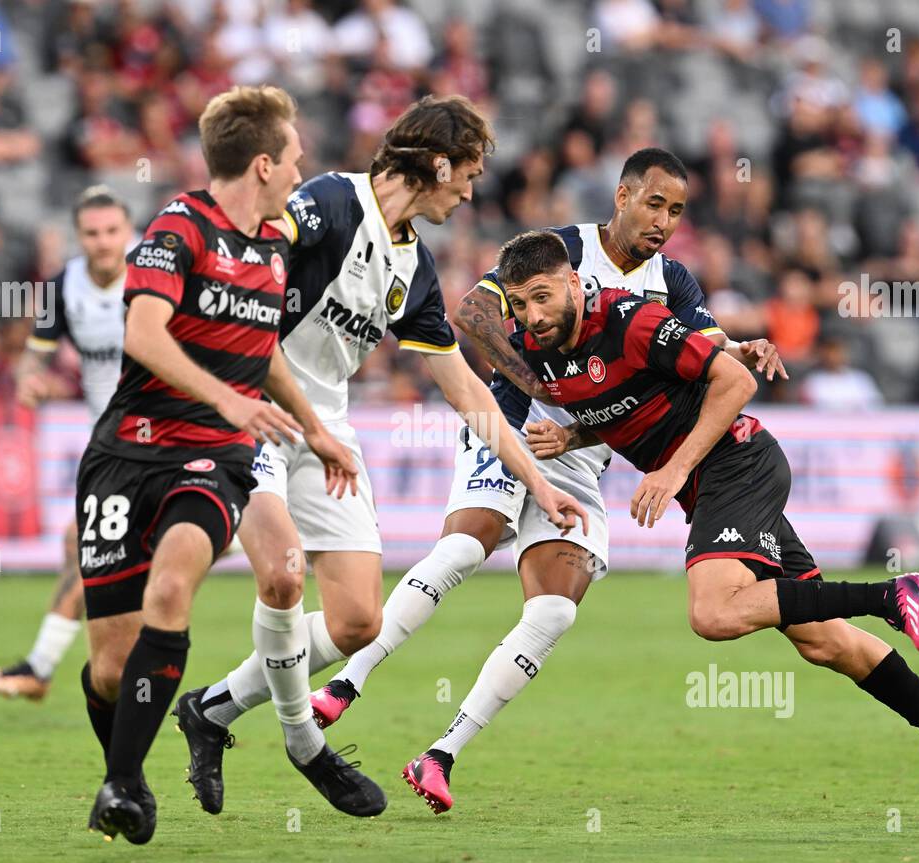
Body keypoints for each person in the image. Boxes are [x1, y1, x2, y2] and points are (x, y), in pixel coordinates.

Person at [307, 148, 786, 814]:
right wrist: (546, 387)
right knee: (469, 544)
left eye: (676, 210)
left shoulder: (672, 279)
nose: (664, 221)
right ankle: (343, 685)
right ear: (622, 197)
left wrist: (744, 347)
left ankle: (442, 753)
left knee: (556, 608)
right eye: (655, 204)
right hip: (510, 425)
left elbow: (702, 351)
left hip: (585, 454)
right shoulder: (560, 250)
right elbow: (473, 315)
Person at [172, 95, 588, 818]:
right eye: (468, 172)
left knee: (359, 622)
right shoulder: (332, 200)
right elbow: (252, 253)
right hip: (251, 408)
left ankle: (210, 709)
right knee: (281, 575)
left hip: (327, 427)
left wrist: (538, 487)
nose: (470, 189)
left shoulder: (416, 271)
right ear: (436, 162)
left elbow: (467, 391)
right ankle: (305, 743)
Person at [491, 229, 919, 816]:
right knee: (824, 642)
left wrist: (672, 471)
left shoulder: (631, 321)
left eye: (543, 297)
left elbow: (736, 381)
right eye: (520, 303)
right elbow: (630, 404)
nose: (533, 315)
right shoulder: (539, 348)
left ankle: (890, 594)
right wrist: (571, 434)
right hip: (714, 483)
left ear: (574, 281)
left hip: (736, 463)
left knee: (714, 613)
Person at [80, 84, 363, 844]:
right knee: (111, 668)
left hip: (215, 457)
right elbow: (144, 333)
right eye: (296, 159)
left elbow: (262, 353)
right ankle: (125, 767)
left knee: (174, 585)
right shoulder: (179, 229)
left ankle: (124, 784)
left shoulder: (275, 246)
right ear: (263, 164)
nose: (302, 174)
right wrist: (229, 398)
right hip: (127, 451)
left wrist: (314, 429)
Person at [0, 185, 130, 702]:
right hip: (106, 443)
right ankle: (41, 668)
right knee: (81, 545)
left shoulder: (155, 275)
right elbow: (35, 355)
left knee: (86, 546)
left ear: (127, 232)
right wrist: (28, 380)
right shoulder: (65, 285)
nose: (103, 242)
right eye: (92, 233)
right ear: (79, 236)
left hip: (152, 437)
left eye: (112, 231)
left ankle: (39, 668)